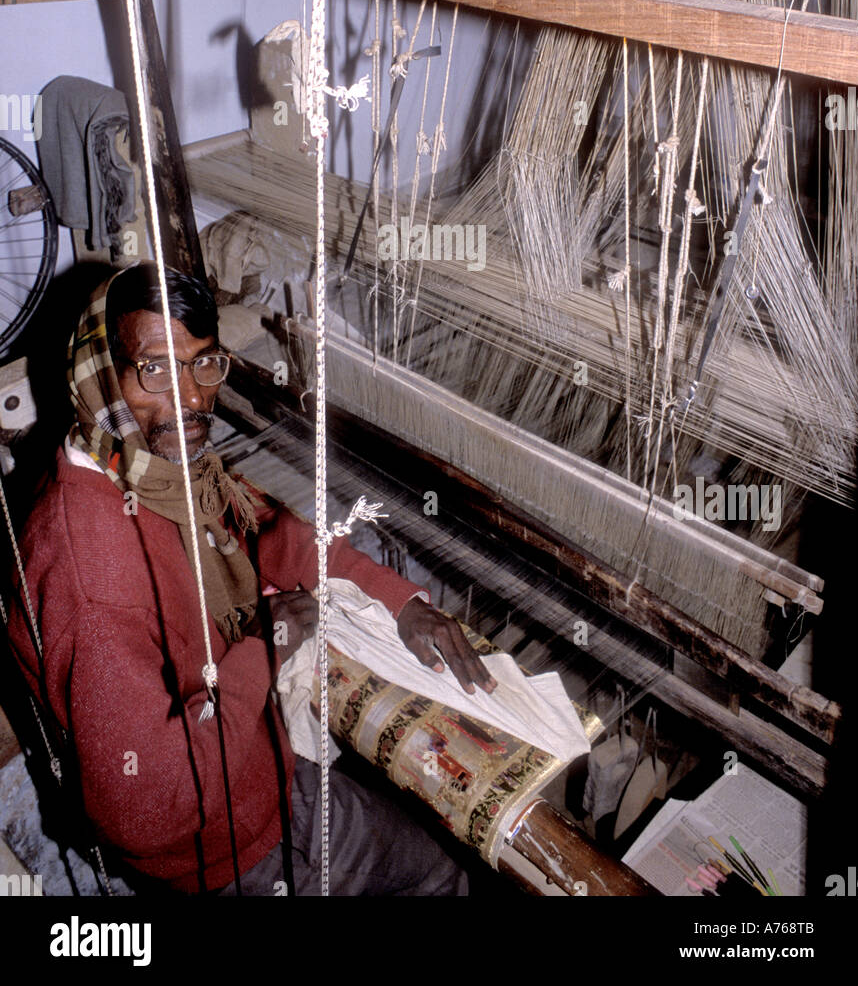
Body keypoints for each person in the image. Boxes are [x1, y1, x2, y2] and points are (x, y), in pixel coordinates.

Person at [7, 263, 494, 895]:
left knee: (435, 868)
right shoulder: (93, 570)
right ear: (103, 374)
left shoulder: (144, 465)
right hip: (223, 854)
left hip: (259, 771)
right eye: (155, 369)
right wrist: (267, 645)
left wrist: (396, 599)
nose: (191, 400)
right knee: (436, 882)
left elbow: (264, 528)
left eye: (205, 364)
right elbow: (147, 808)